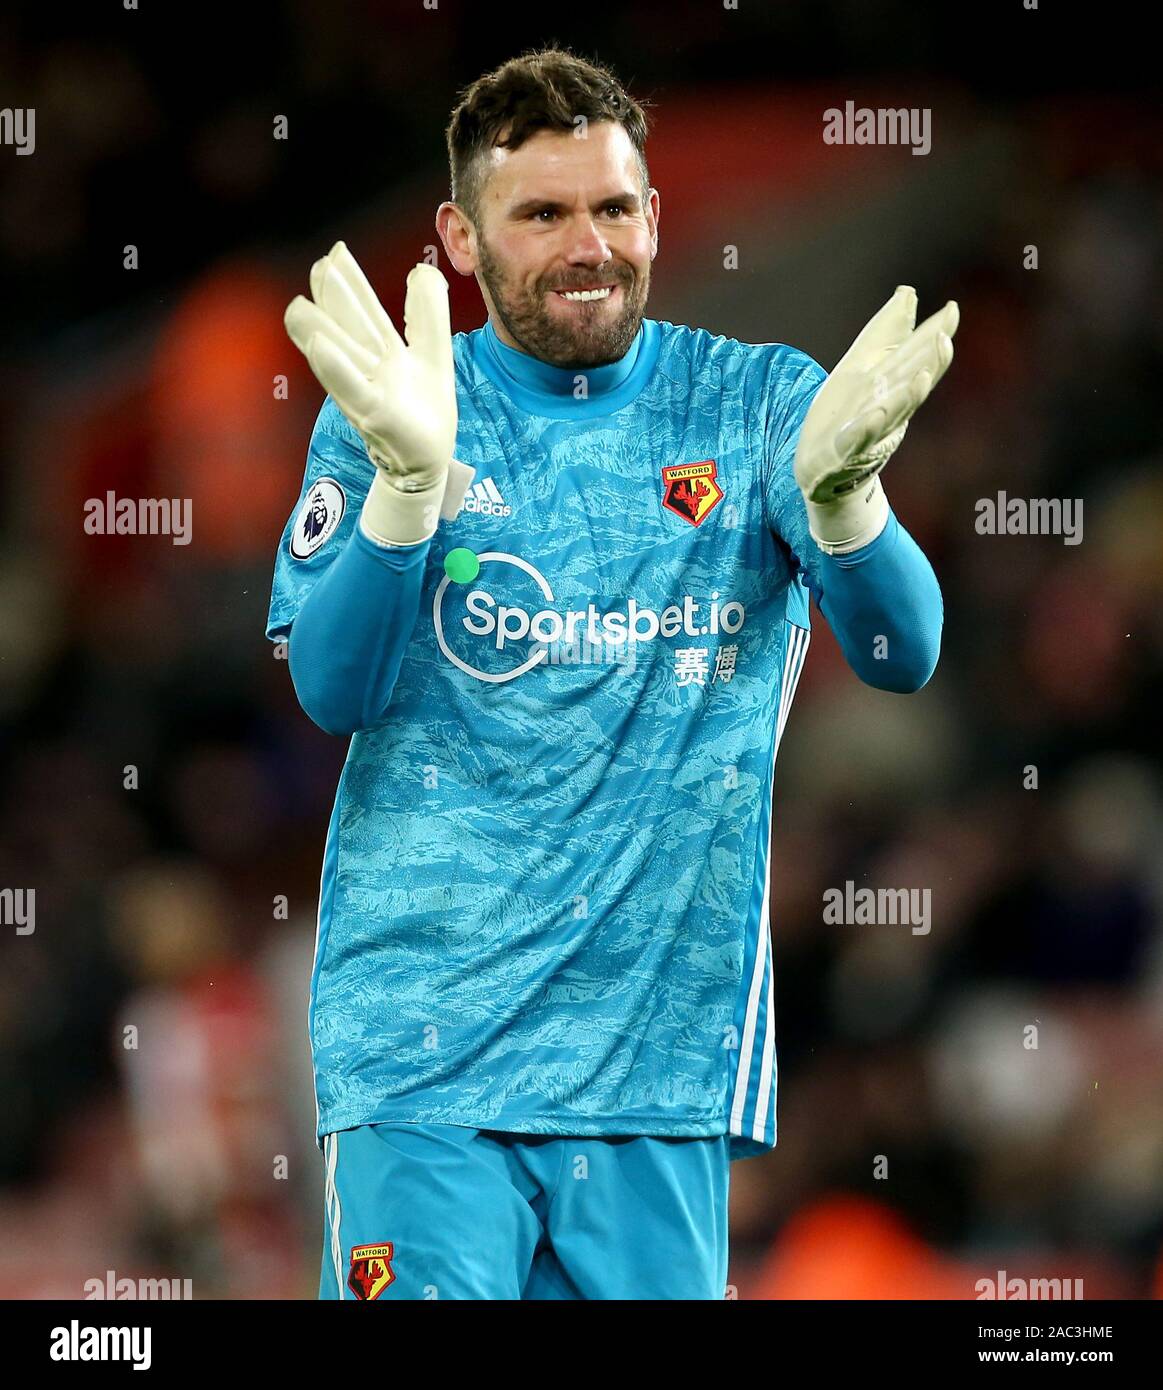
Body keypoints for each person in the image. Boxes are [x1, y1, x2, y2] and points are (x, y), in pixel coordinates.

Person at [267, 45, 956, 1300]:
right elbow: (331, 691)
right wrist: (406, 497)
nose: (588, 244)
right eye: (540, 213)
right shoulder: (397, 408)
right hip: (423, 1063)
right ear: (460, 238)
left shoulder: (754, 408)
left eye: (612, 207)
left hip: (661, 1068)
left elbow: (901, 653)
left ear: (653, 214)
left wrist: (846, 508)